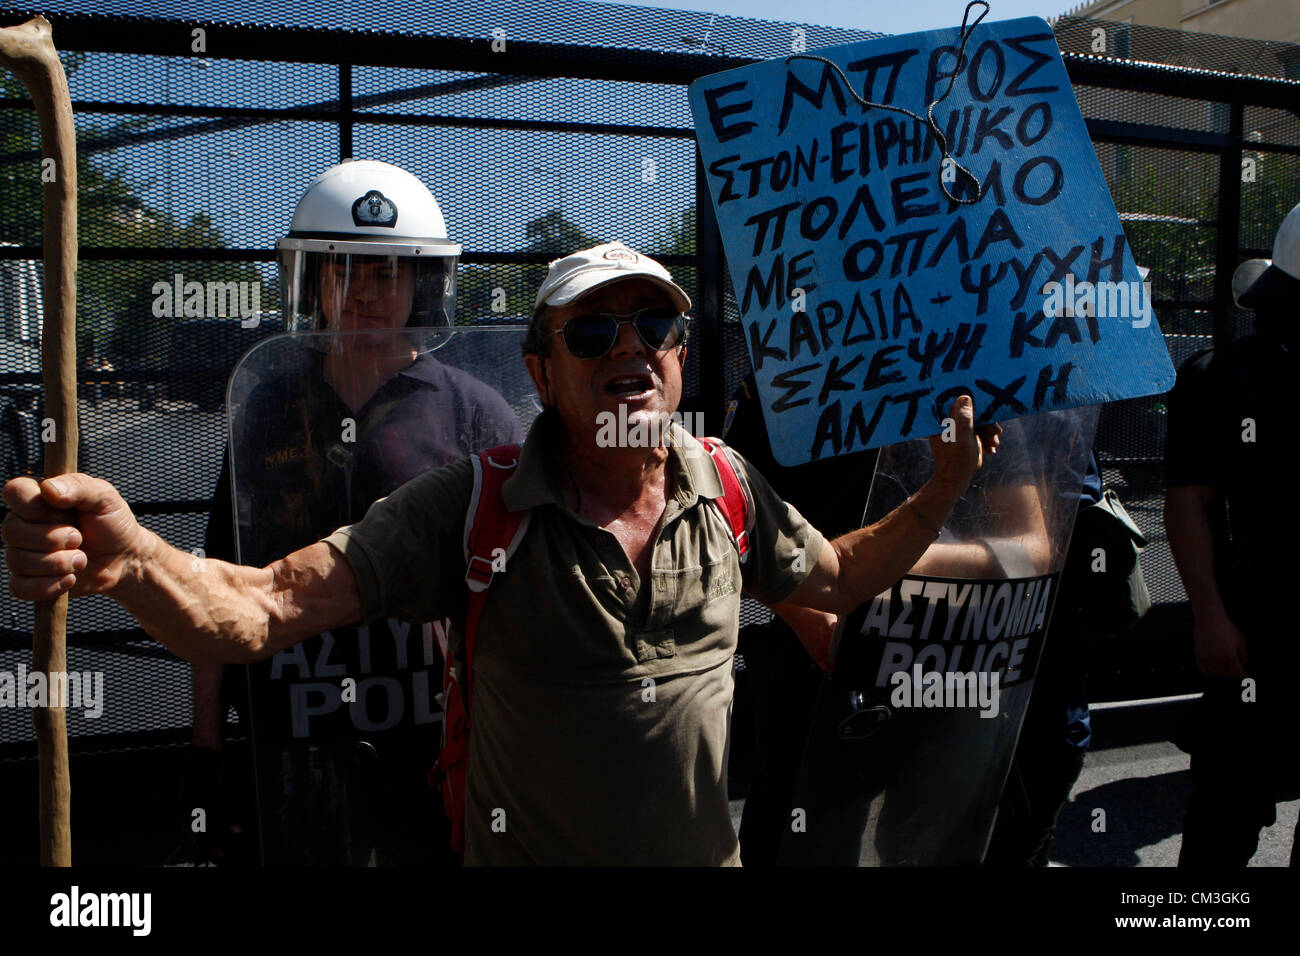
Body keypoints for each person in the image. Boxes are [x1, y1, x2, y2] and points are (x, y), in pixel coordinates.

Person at [3, 240, 998, 866]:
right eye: (594, 329)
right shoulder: (473, 505)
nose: (630, 347)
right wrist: (125, 556)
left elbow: (840, 573)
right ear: (540, 369)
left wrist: (943, 488)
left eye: (655, 323)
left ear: (682, 356)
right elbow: (261, 603)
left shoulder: (728, 485)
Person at [188, 159, 523, 866]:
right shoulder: (270, 408)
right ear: (315, 282)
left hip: (430, 722)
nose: (367, 291)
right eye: (347, 270)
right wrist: (209, 743)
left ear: (421, 284)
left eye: (389, 272)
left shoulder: (473, 412)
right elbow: (222, 572)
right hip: (294, 722)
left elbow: (520, 583)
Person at [1164, 202, 1300, 867]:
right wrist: (1210, 616)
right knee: (1226, 812)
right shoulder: (1226, 377)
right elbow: (1187, 500)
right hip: (1257, 631)